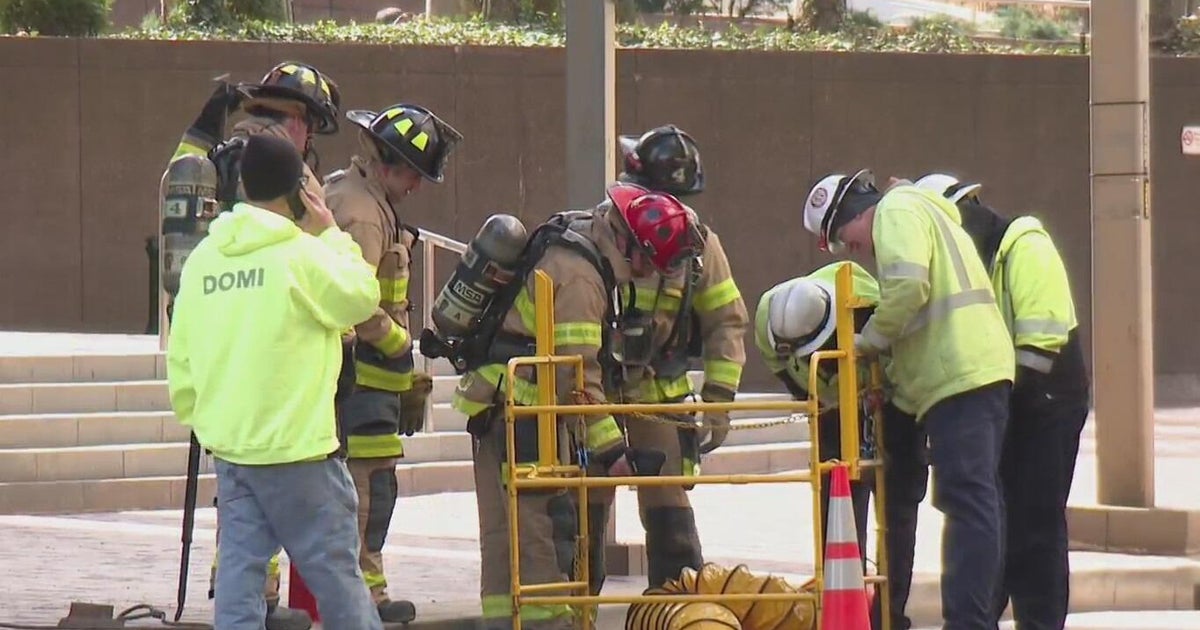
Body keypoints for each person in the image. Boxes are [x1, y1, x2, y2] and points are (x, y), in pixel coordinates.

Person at [448, 182, 707, 630]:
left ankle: (504, 622)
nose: (647, 274)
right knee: (540, 533)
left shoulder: (586, 243)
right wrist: (612, 452)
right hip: (526, 412)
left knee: (503, 537)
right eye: (647, 262)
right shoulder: (582, 279)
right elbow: (576, 377)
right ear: (627, 243)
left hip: (505, 405)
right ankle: (545, 624)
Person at [165, 134, 383, 630]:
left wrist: (206, 420)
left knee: (240, 575)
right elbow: (360, 297)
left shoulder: (204, 260)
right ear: (298, 192)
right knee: (335, 575)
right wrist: (330, 232)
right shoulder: (300, 257)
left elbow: (181, 354)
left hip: (234, 449)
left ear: (241, 185)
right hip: (297, 452)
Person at [802, 169, 1015, 630]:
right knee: (975, 501)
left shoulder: (896, 211)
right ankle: (973, 618)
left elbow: (908, 289)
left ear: (856, 211)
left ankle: (969, 622)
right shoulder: (923, 214)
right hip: (971, 372)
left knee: (968, 502)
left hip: (961, 376)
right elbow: (923, 313)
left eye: (842, 237)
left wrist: (867, 341)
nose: (850, 249)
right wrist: (894, 381)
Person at [913, 173, 1090, 630]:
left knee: (1036, 522)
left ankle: (1040, 621)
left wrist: (992, 407)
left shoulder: (1023, 243)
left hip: (1048, 399)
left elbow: (1039, 344)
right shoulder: (977, 259)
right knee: (997, 516)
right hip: (1008, 400)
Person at [578, 125, 748, 592]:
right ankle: (577, 611)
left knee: (670, 508)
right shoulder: (596, 234)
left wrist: (718, 398)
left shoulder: (699, 246)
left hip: (658, 391)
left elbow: (726, 321)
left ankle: (679, 607)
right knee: (586, 504)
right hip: (597, 393)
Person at [323, 102, 463, 624]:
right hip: (362, 380)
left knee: (368, 488)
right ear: (386, 161)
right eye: (413, 173)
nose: (417, 186)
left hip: (370, 381)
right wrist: (399, 346)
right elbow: (355, 302)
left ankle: (364, 592)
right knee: (368, 490)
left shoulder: (359, 197)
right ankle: (366, 597)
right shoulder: (361, 213)